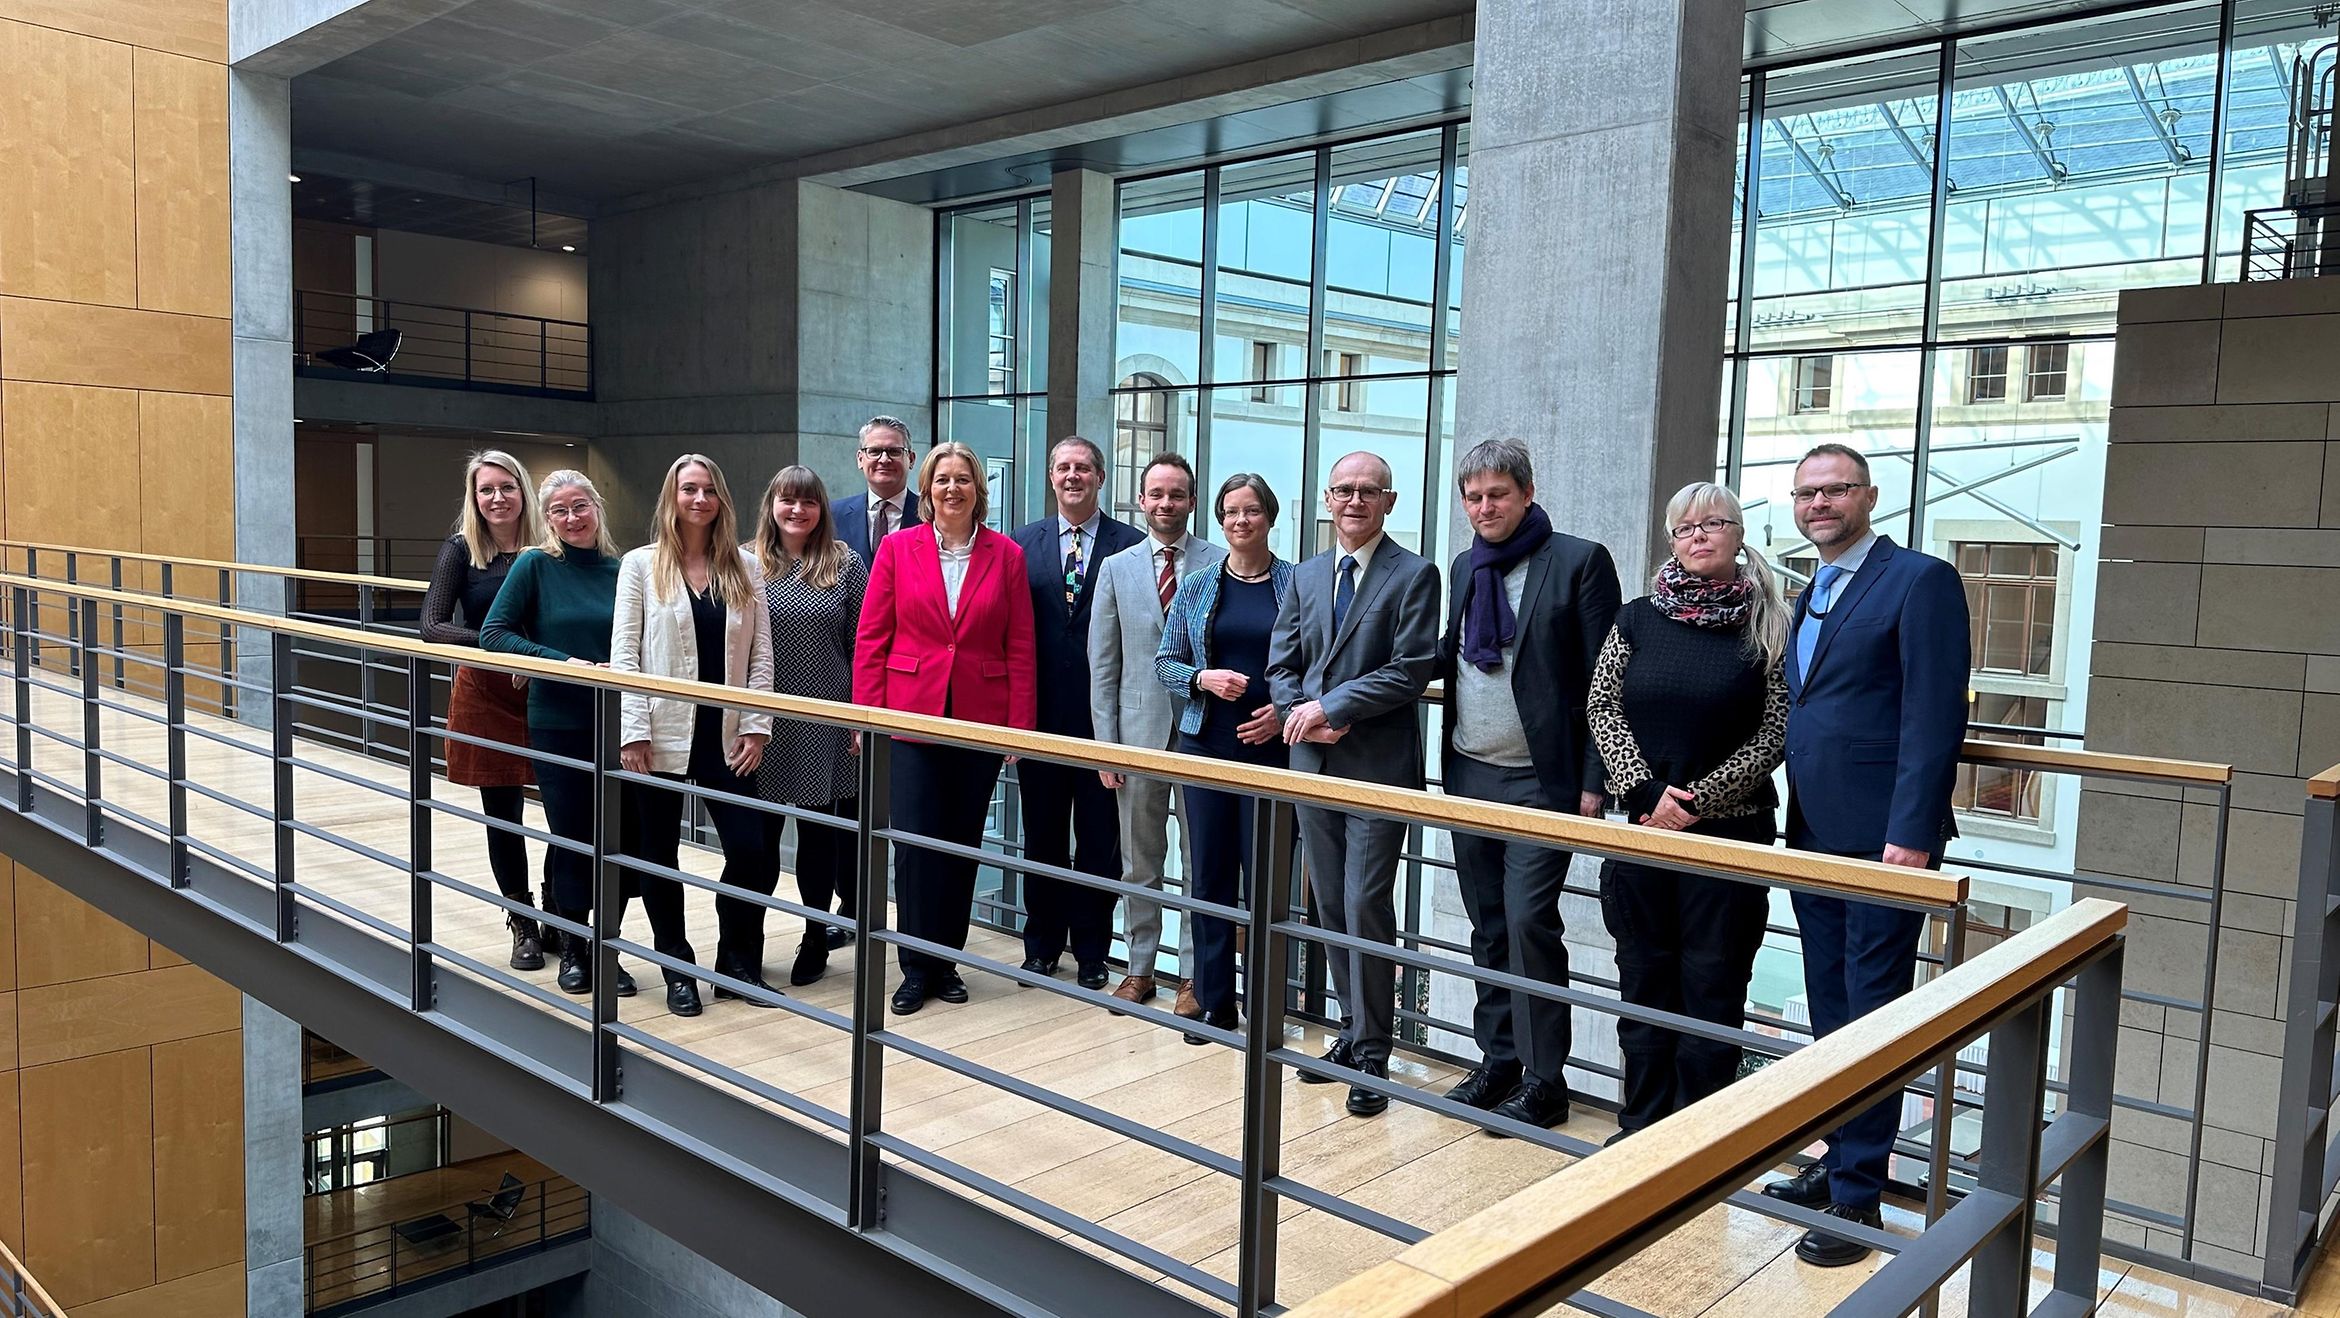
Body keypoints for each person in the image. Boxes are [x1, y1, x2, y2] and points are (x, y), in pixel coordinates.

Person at [1758, 443, 1970, 1267]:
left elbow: (1932, 713)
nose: (1820, 504)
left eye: (1836, 490)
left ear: (1869, 496)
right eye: (1807, 493)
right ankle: (1832, 1161)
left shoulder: (1919, 581)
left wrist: (1911, 835)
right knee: (1830, 1008)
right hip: (1815, 833)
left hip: (1887, 843)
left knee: (1874, 1016)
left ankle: (1858, 1202)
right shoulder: (1812, 591)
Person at [1586, 481, 1788, 1144]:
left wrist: (1699, 801)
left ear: (1738, 535)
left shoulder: (1770, 624)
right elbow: (1603, 707)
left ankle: (1700, 1143)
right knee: (1644, 982)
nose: (1698, 536)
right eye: (1684, 528)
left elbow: (1776, 732)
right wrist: (1648, 795)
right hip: (1644, 834)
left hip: (1730, 840)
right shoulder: (1636, 618)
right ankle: (1640, 1129)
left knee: (1714, 986)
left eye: (1713, 524)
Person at [1435, 439, 1621, 1133]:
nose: (1485, 507)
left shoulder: (1578, 560)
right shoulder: (1465, 566)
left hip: (1545, 782)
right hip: (1469, 771)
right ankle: (1499, 1061)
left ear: (1527, 493)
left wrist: (1595, 781)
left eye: (1498, 495)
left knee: (1528, 922)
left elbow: (1609, 681)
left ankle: (1547, 1081)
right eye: (1474, 497)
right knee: (1487, 925)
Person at [1267, 451, 1441, 1118]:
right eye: (1344, 490)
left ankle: (1373, 1050)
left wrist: (1334, 707)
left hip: (1374, 769)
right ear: (1327, 499)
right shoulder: (1308, 575)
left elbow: (1410, 667)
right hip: (1312, 765)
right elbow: (1281, 663)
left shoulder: (1414, 574)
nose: (1355, 501)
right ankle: (1350, 1029)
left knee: (1366, 902)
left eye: (1369, 491)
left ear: (1389, 502)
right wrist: (1296, 716)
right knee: (1329, 906)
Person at [854, 442, 1037, 1015]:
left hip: (979, 720)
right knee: (912, 847)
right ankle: (914, 966)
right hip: (909, 716)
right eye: (941, 481)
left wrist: (1018, 729)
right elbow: (872, 638)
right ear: (927, 491)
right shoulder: (896, 549)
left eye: (962, 480)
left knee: (960, 845)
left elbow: (1021, 644)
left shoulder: (1005, 555)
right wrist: (869, 716)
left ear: (978, 490)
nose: (951, 489)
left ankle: (946, 960)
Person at [610, 454, 775, 1019]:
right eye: (689, 489)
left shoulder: (746, 567)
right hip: (659, 733)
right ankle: (677, 965)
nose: (699, 499)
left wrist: (756, 726)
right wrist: (632, 732)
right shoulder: (639, 565)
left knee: (751, 853)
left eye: (708, 489)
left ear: (721, 499)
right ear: (672, 497)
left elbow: (761, 658)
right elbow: (624, 657)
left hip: (727, 736)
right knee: (659, 856)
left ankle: (735, 965)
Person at [480, 470, 634, 999]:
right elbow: (494, 633)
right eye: (560, 511)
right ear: (547, 519)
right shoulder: (536, 565)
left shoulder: (625, 569)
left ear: (598, 506)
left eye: (580, 506)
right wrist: (561, 662)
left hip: (618, 723)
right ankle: (573, 945)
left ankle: (607, 944)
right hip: (558, 721)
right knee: (571, 834)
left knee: (612, 838)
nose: (572, 518)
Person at [1156, 474, 1291, 1041]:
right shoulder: (1197, 585)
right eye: (1231, 512)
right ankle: (1214, 1003)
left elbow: (1319, 664)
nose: (1241, 521)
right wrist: (1201, 677)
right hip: (1206, 747)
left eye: (1252, 510)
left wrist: (1285, 712)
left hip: (1275, 753)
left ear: (1270, 516)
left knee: (1265, 882)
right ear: (1219, 520)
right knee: (1208, 876)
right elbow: (1165, 661)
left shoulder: (1297, 583)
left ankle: (1264, 1007)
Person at [1089, 452, 1224, 1012]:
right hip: (1136, 735)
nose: (1166, 504)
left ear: (1192, 502)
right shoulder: (1117, 568)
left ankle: (1195, 976)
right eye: (1157, 494)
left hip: (1204, 733)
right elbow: (1103, 665)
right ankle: (1140, 968)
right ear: (1141, 502)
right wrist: (1105, 746)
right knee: (1139, 860)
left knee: (1202, 862)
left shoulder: (1221, 561)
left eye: (1177, 495)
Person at [1010, 436, 1143, 990]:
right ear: (1049, 475)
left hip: (1103, 725)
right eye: (1063, 467)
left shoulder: (1131, 545)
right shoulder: (1020, 545)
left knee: (1099, 844)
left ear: (1101, 477)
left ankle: (1091, 951)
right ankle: (1040, 947)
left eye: (1083, 468)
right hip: (1039, 719)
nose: (1072, 476)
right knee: (1041, 837)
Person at [420, 450, 551, 973]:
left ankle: (561, 912)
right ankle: (522, 921)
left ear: (523, 492)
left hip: (546, 688)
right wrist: (502, 646)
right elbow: (432, 625)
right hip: (486, 692)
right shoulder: (461, 550)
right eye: (486, 489)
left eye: (506, 487)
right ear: (474, 498)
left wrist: (535, 658)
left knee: (568, 808)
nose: (497, 498)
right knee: (504, 815)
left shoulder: (549, 548)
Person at [749, 464, 868, 987]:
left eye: (808, 502)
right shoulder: (745, 561)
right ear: (771, 506)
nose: (797, 511)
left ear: (821, 510)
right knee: (761, 837)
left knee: (820, 837)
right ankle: (747, 938)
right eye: (787, 501)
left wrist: (859, 717)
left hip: (826, 717)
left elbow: (863, 644)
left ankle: (816, 934)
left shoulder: (845, 563)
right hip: (764, 719)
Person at [833, 416, 919, 566]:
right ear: (860, 459)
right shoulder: (833, 515)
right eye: (874, 451)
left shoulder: (931, 514)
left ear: (911, 459)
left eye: (894, 451)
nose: (884, 459)